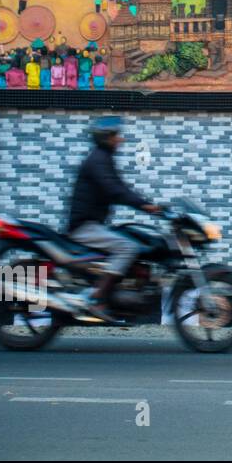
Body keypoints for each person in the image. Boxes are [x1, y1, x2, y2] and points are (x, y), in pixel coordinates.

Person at [65, 116, 159, 324]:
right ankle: (96, 299)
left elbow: (119, 188)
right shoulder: (98, 160)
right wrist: (145, 206)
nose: (121, 140)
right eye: (117, 135)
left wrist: (145, 203)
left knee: (128, 237)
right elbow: (115, 190)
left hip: (92, 224)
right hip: (84, 227)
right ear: (106, 138)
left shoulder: (102, 158)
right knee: (128, 247)